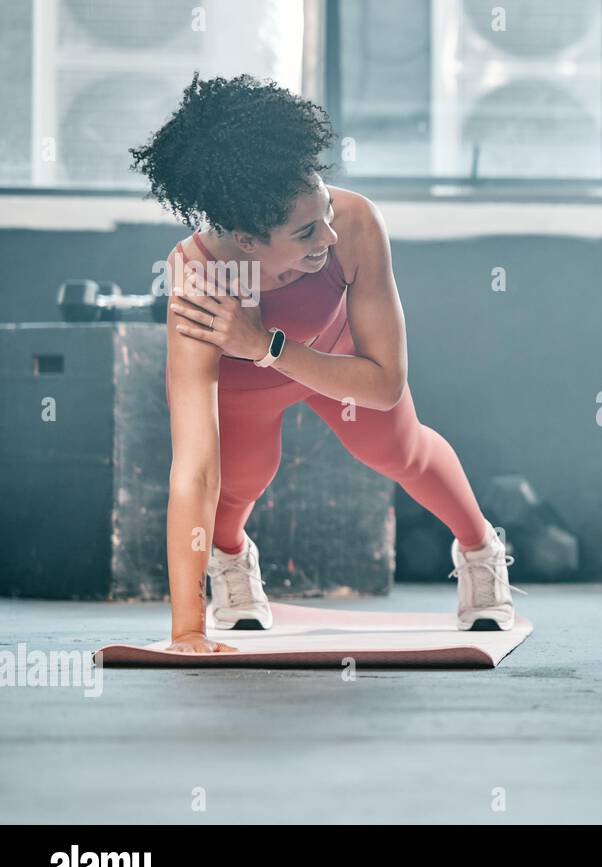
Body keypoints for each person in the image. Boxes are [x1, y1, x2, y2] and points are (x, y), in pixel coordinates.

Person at [129, 74, 518, 654]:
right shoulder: (200, 276)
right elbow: (193, 468)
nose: (329, 234)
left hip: (336, 360)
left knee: (398, 449)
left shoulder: (356, 225)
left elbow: (385, 386)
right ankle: (230, 561)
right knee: (238, 479)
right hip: (246, 383)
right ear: (246, 239)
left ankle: (480, 549)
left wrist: (267, 347)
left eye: (327, 211)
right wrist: (185, 629)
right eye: (307, 231)